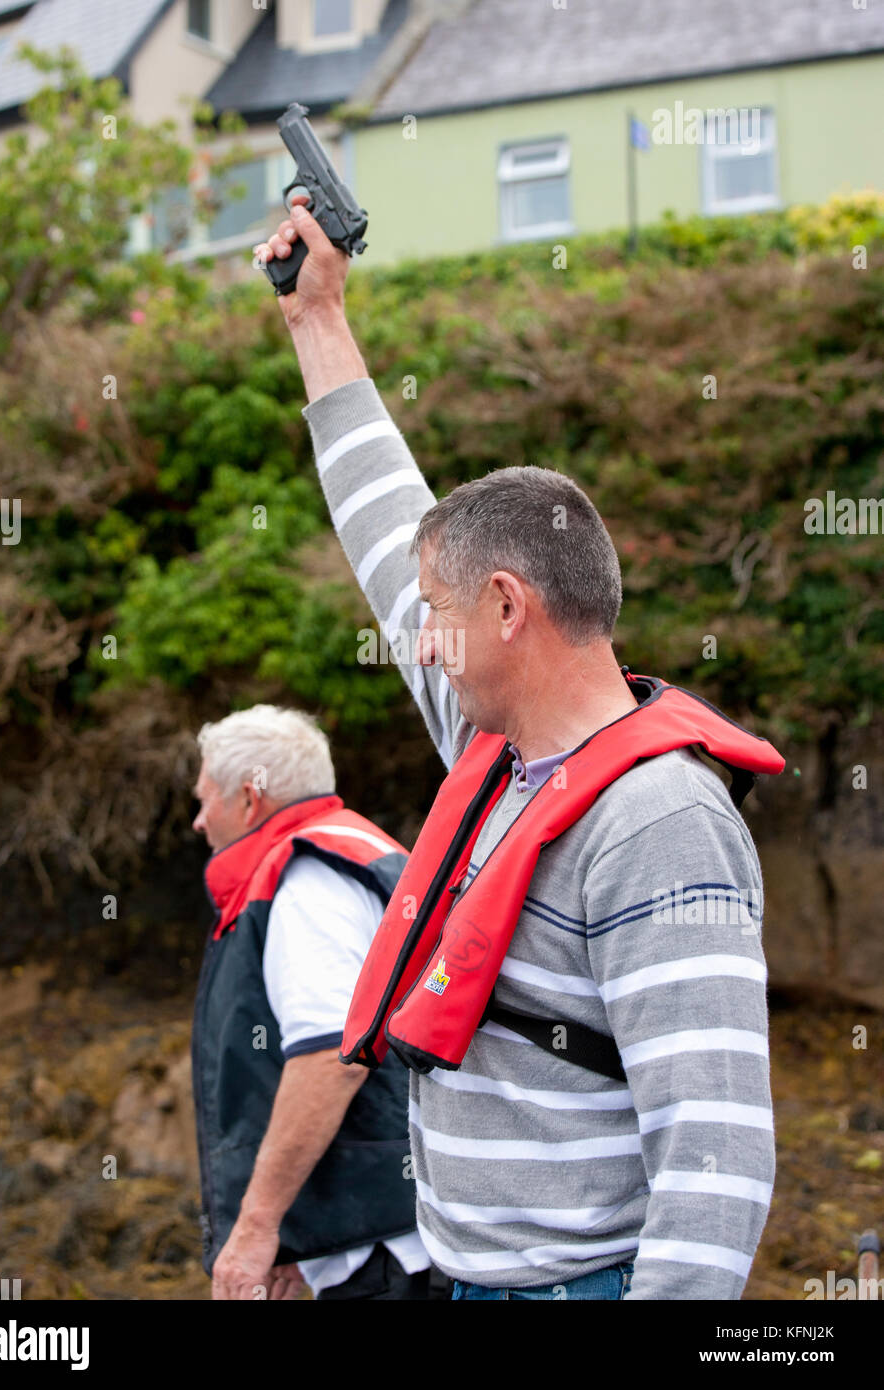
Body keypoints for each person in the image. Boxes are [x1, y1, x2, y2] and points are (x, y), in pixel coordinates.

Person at [252, 203, 780, 1301]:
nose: (412, 631)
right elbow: (379, 513)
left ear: (505, 607)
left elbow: (715, 1158)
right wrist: (317, 318)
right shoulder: (491, 753)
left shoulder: (659, 821)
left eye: (435, 608)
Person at [190, 703, 435, 1300]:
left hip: (389, 1254)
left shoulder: (305, 884)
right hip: (397, 1235)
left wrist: (256, 1229)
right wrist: (303, 1246)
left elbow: (331, 1060)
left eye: (204, 800)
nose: (198, 821)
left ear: (251, 799)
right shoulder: (353, 855)